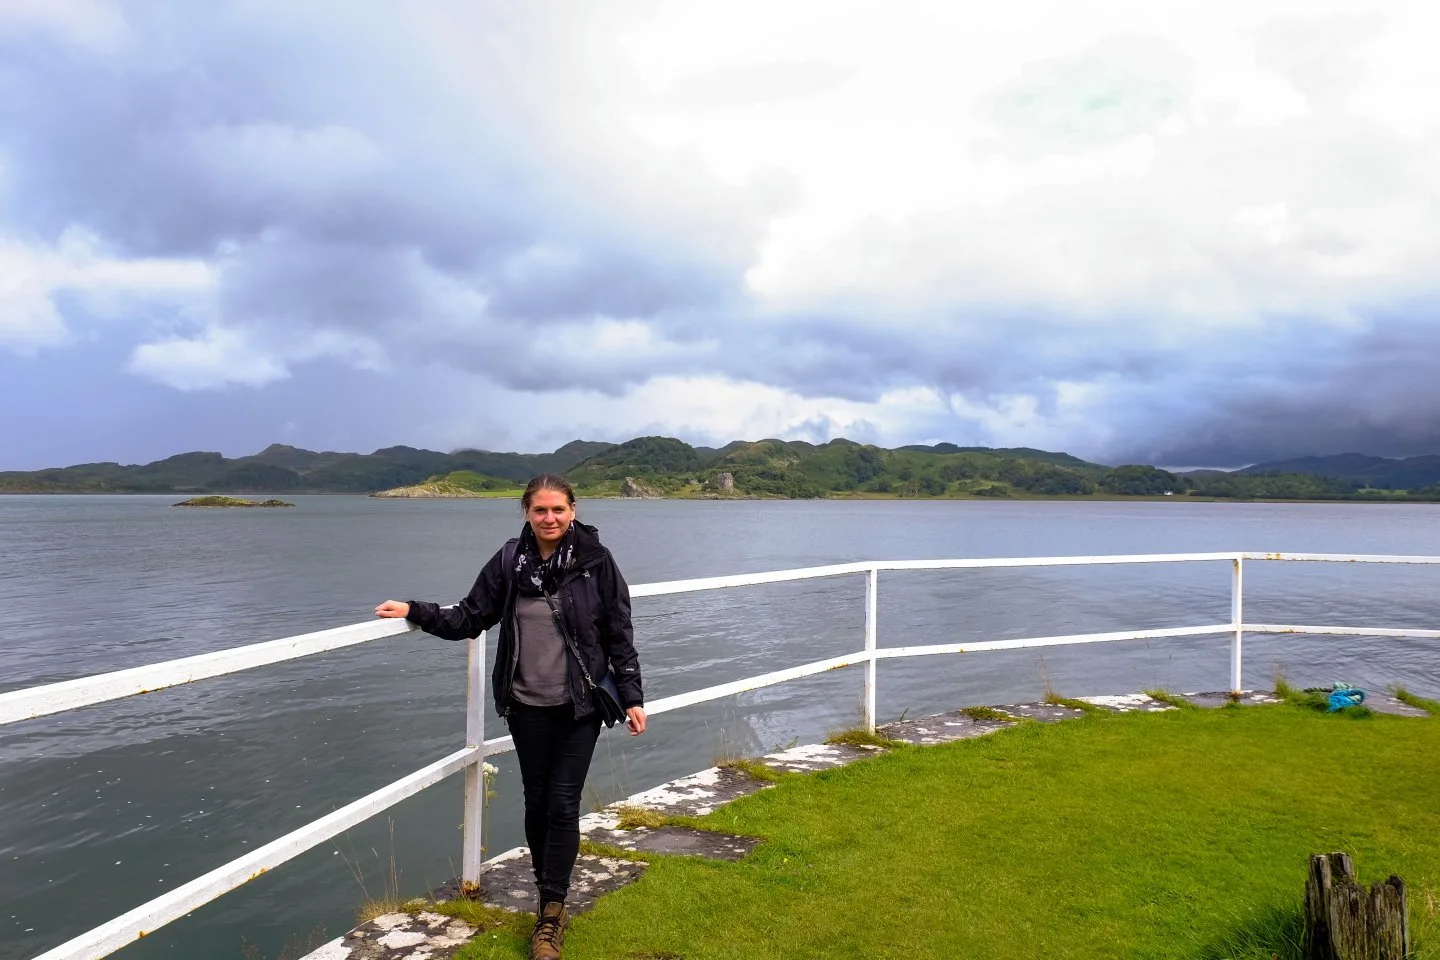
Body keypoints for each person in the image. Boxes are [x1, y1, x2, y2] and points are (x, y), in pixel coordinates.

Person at [375, 473, 645, 960]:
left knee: (562, 804)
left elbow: (618, 629)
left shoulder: (595, 562)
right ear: (526, 512)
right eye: (540, 510)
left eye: (558, 510)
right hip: (525, 704)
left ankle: (551, 914)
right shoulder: (508, 561)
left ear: (573, 510)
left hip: (579, 705)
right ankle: (549, 895)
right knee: (536, 802)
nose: (550, 519)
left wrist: (632, 696)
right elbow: (470, 616)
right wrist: (414, 609)